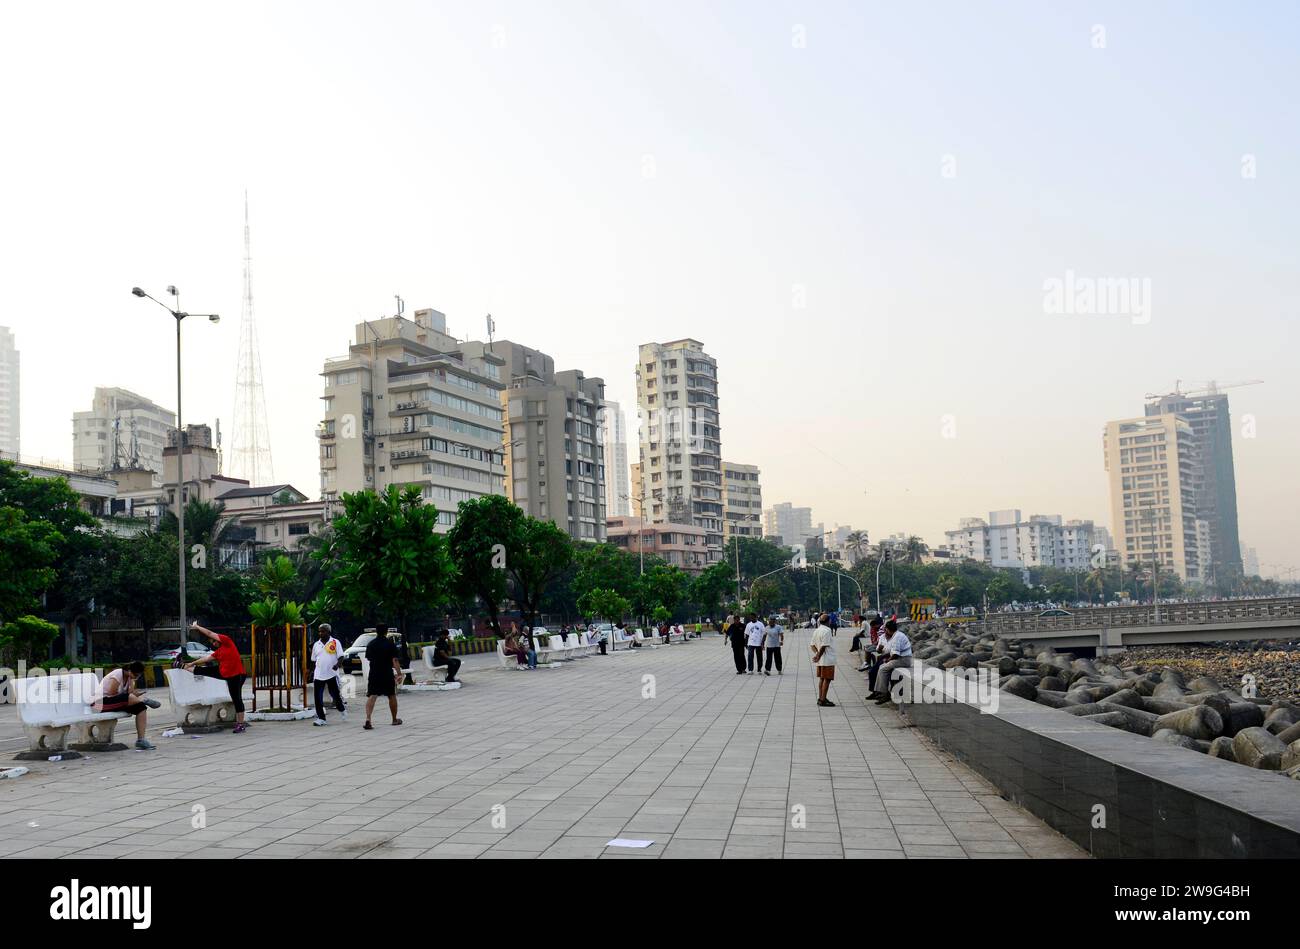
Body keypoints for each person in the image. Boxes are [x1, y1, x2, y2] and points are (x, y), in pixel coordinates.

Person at [187, 623, 248, 733]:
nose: (214, 644)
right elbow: (206, 659)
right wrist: (192, 663)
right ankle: (183, 666)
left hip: (237, 674)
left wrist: (197, 627)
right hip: (225, 674)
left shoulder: (227, 642)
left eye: (214, 641)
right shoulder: (218, 652)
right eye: (212, 643)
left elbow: (209, 633)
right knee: (203, 670)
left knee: (237, 698)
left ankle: (240, 724)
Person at [92, 661, 160, 749]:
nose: (137, 677)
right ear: (129, 671)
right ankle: (143, 700)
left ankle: (141, 740)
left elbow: (129, 694)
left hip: (115, 701)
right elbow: (111, 692)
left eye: (139, 676)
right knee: (130, 698)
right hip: (99, 703)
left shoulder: (129, 678)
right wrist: (130, 696)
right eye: (136, 675)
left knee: (141, 708)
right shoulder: (118, 673)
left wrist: (134, 693)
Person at [364, 627, 403, 728]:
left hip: (374, 673)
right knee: (391, 695)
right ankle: (394, 719)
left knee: (372, 695)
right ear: (386, 632)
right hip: (387, 673)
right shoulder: (390, 644)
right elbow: (395, 660)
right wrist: (399, 674)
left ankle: (368, 719)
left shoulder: (371, 644)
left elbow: (368, 658)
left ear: (376, 632)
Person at [311, 623, 348, 725]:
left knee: (335, 696)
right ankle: (321, 719)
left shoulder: (335, 642)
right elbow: (314, 660)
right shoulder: (316, 645)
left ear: (328, 632)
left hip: (331, 674)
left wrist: (337, 665)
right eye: (319, 631)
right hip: (318, 675)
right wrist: (312, 671)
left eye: (323, 631)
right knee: (318, 698)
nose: (320, 633)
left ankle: (342, 710)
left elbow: (341, 656)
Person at [871, 619, 914, 706]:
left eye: (886, 629)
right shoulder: (897, 635)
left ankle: (884, 693)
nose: (885, 631)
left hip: (904, 660)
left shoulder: (897, 637)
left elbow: (895, 654)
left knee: (883, 668)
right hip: (902, 659)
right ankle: (882, 692)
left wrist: (888, 660)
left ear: (888, 629)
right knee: (882, 667)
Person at [809, 613, 836, 707]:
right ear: (829, 621)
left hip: (821, 660)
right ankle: (823, 699)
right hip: (827, 659)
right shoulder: (827, 630)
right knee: (827, 679)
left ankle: (821, 697)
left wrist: (817, 654)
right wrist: (818, 656)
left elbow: (812, 645)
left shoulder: (817, 630)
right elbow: (824, 646)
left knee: (822, 678)